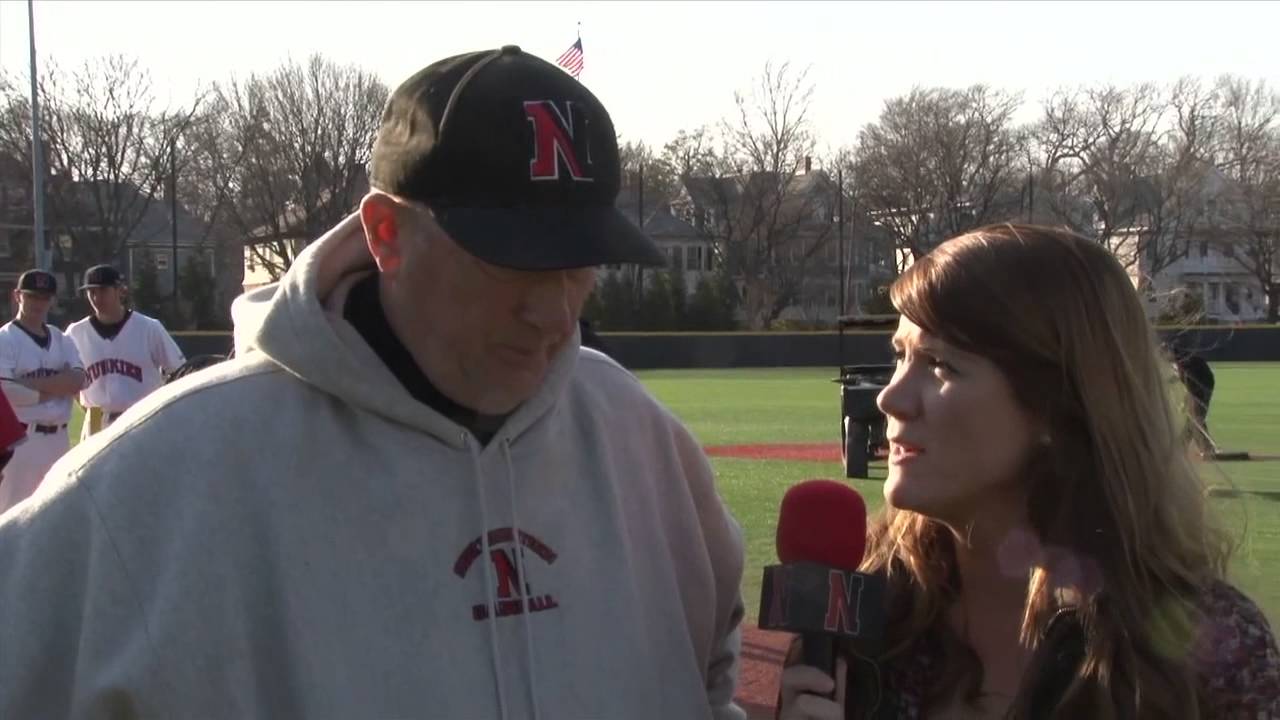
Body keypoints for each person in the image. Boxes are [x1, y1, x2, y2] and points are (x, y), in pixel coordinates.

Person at [0, 45, 746, 719]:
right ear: (387, 234)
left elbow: (711, 688)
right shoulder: (154, 483)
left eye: (577, 264)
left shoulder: (640, 439)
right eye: (510, 261)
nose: (553, 312)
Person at [778, 224, 1278, 719]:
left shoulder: (1213, 654)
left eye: (941, 365)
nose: (890, 398)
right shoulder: (867, 620)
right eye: (900, 356)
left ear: (1058, 405)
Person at [64, 264, 186, 439]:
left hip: (142, 419)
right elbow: (68, 378)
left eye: (103, 290)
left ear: (120, 291)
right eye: (91, 292)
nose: (96, 297)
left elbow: (180, 370)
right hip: (97, 422)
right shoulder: (75, 332)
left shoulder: (149, 328)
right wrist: (87, 407)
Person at [0, 269, 85, 514]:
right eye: (32, 296)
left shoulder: (61, 338)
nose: (39, 303)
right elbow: (6, 391)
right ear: (18, 296)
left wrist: (27, 383)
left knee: (58, 512)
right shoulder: (5, 339)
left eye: (44, 297)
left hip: (59, 440)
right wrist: (57, 388)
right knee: (13, 513)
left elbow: (78, 381)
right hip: (21, 442)